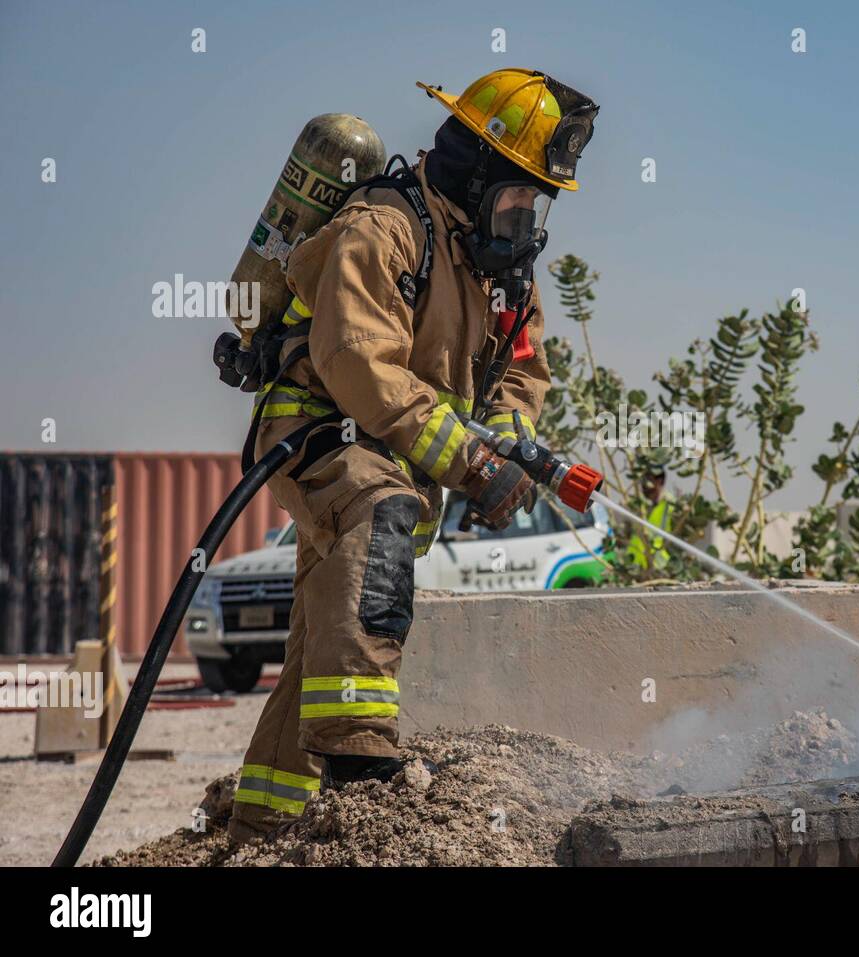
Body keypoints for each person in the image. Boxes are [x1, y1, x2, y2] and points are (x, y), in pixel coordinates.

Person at [228, 69, 598, 843]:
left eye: (537, 201)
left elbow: (522, 371)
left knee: (316, 647)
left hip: (387, 441)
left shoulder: (505, 274)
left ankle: (265, 822)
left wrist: (505, 439)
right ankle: (361, 759)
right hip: (317, 426)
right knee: (378, 510)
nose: (526, 217)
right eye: (517, 194)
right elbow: (354, 356)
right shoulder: (387, 226)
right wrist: (470, 460)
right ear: (474, 172)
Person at [627, 466, 673, 568]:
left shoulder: (670, 506)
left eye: (648, 480)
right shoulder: (641, 505)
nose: (643, 485)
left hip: (658, 567)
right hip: (635, 565)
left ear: (659, 481)